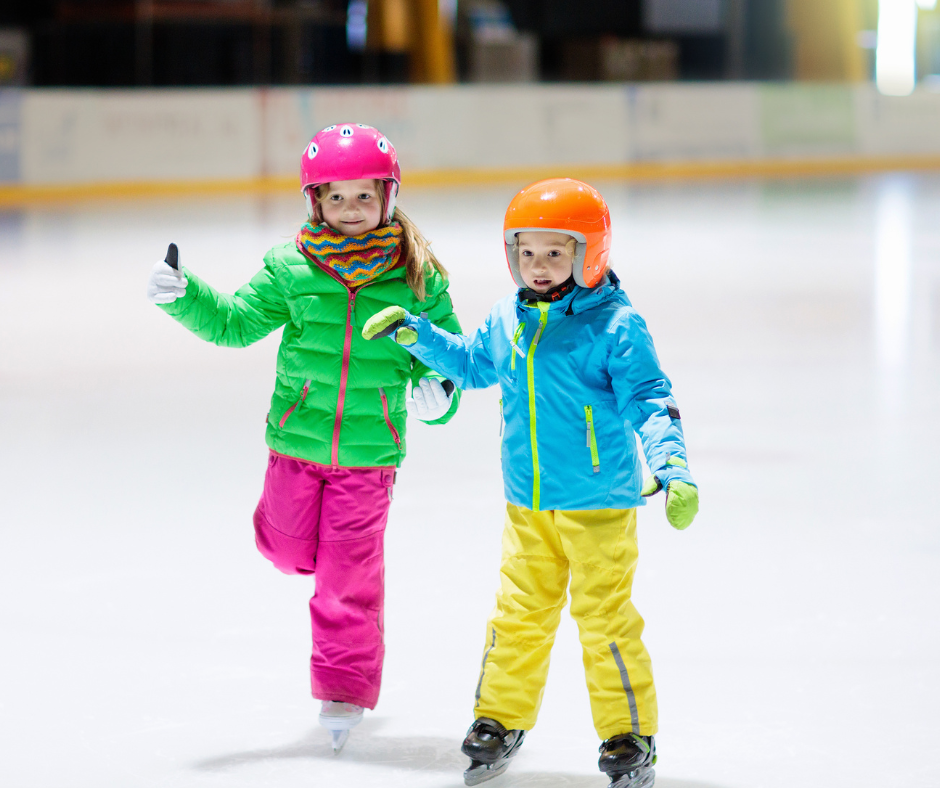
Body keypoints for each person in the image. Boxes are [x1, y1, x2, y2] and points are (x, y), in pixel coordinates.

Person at [362, 178, 698, 788]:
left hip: (599, 505)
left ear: (588, 253)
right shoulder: (505, 319)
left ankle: (629, 734)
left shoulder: (617, 327)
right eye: (526, 252)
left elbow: (651, 401)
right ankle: (498, 719)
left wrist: (671, 468)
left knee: (604, 618)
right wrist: (418, 334)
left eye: (554, 252)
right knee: (519, 615)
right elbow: (469, 365)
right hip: (527, 506)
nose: (537, 267)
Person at [146, 123, 461, 752]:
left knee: (348, 577)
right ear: (314, 201)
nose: (350, 211)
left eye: (364, 198)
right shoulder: (291, 268)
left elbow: (447, 357)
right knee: (287, 550)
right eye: (336, 198)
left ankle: (342, 689)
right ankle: (292, 542)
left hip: (370, 459)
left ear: (389, 199)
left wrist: (441, 396)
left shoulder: (417, 277)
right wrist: (185, 297)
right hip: (296, 443)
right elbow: (235, 323)